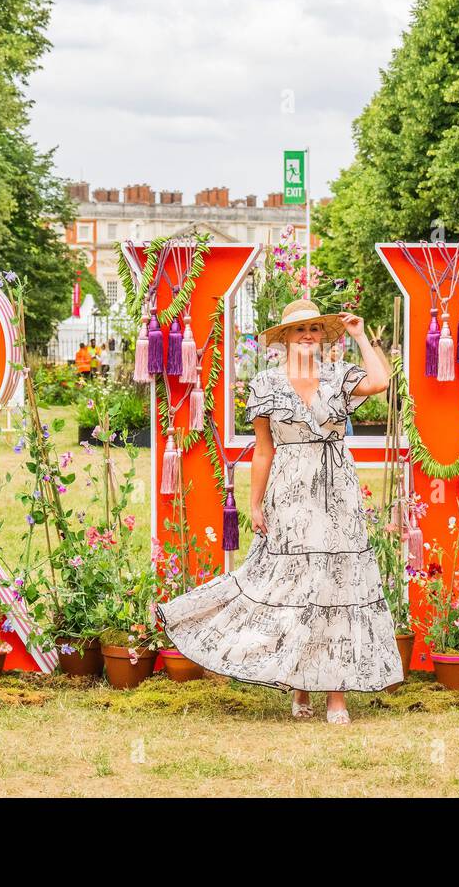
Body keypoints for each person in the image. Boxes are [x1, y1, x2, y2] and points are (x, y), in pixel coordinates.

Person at [155, 298, 402, 725]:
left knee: (336, 586)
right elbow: (264, 451)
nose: (307, 337)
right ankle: (298, 686)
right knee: (296, 588)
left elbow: (381, 381)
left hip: (337, 492)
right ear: (284, 338)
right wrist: (254, 502)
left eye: (314, 330)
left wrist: (361, 334)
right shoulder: (266, 384)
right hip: (289, 491)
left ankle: (336, 696)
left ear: (323, 337)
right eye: (298, 330)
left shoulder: (338, 375)